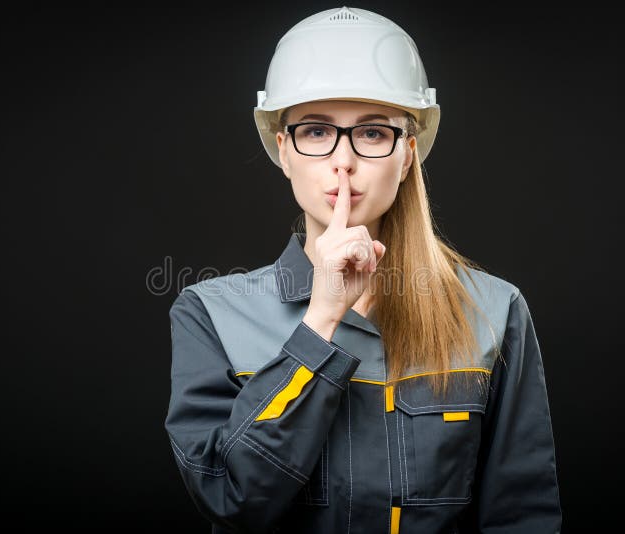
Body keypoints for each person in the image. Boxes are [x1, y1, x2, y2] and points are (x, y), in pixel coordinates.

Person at [165, 6, 562, 533]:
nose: (343, 161)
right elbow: (232, 496)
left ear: (408, 155)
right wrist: (320, 322)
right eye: (315, 131)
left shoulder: (494, 310)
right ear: (284, 152)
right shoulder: (212, 314)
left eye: (373, 133)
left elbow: (522, 516)